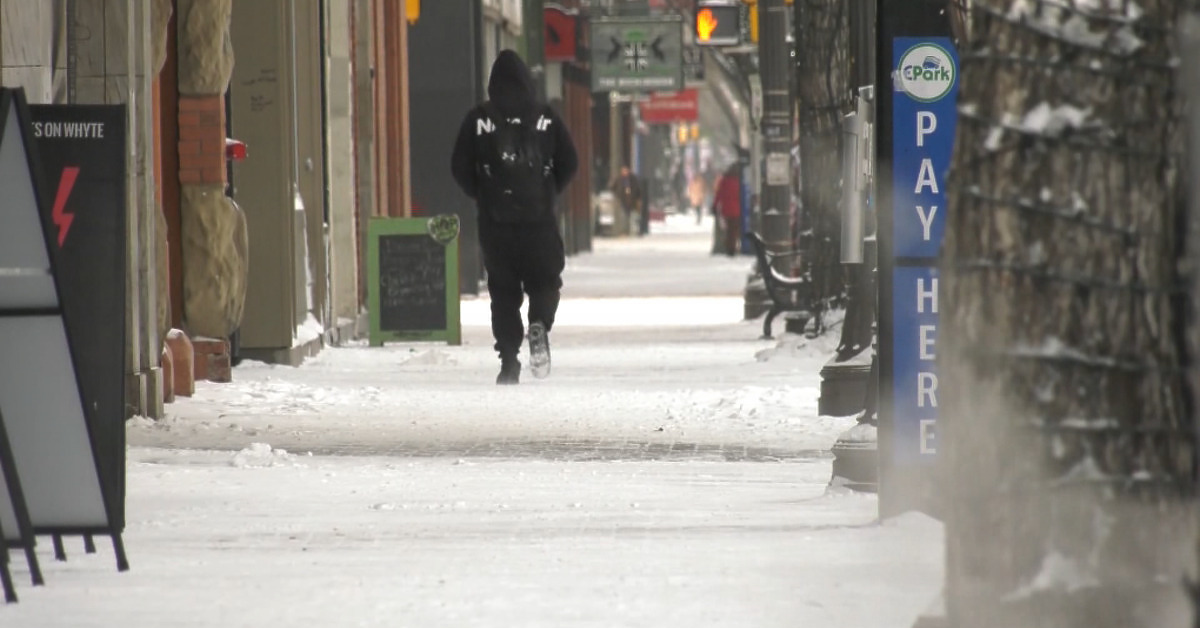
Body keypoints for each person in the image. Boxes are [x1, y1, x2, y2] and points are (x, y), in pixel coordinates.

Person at [450, 50, 578, 385]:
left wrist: (482, 194)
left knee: (503, 292)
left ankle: (509, 359)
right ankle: (539, 324)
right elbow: (570, 161)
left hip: (496, 224)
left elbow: (459, 167)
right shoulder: (545, 117)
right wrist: (549, 191)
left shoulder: (478, 119)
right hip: (539, 223)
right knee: (546, 281)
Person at [712, 164, 742, 257]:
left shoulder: (723, 181)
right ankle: (732, 248)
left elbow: (719, 195)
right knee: (735, 230)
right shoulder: (738, 182)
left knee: (729, 230)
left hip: (726, 209)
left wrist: (715, 206)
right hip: (737, 209)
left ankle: (730, 247)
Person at [610, 164, 643, 236]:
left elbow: (637, 190)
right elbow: (613, 187)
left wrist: (637, 199)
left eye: (626, 170)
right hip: (622, 200)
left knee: (632, 217)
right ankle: (623, 231)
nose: (625, 172)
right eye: (623, 170)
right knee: (623, 216)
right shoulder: (619, 178)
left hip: (631, 201)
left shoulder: (633, 179)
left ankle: (632, 231)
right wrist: (617, 194)